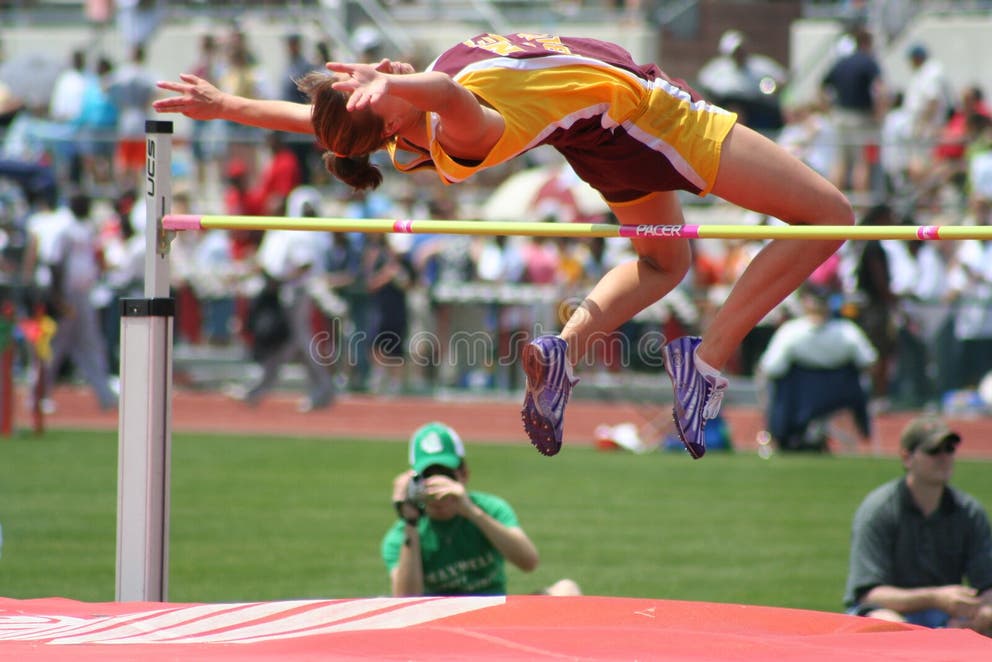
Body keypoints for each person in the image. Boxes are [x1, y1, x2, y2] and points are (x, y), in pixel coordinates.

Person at [154, 32, 854, 459]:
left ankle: (562, 354)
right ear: (393, 123)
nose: (378, 69)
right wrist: (397, 83)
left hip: (597, 134)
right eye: (374, 86)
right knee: (830, 214)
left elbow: (329, 125)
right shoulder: (455, 134)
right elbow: (446, 100)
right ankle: (707, 359)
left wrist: (232, 107)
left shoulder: (396, 114)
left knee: (662, 263)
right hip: (646, 116)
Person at [383, 421, 581, 597]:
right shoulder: (401, 536)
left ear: (464, 475)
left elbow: (528, 562)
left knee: (566, 590)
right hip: (439, 628)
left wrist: (470, 511)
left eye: (446, 474)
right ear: (413, 482)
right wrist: (410, 521)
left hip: (493, 619)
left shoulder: (488, 508)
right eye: (427, 477)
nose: (438, 486)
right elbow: (406, 599)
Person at [844, 416, 992, 635]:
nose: (944, 457)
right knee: (887, 625)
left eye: (950, 449)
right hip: (887, 611)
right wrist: (936, 597)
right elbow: (868, 595)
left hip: (946, 615)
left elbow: (987, 584)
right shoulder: (879, 510)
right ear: (907, 457)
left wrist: (982, 613)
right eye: (934, 451)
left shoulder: (969, 512)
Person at [757, 285, 877, 452]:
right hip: (841, 394)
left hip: (799, 399)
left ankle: (777, 433)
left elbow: (773, 368)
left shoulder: (791, 332)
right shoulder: (847, 331)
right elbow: (868, 361)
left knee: (774, 382)